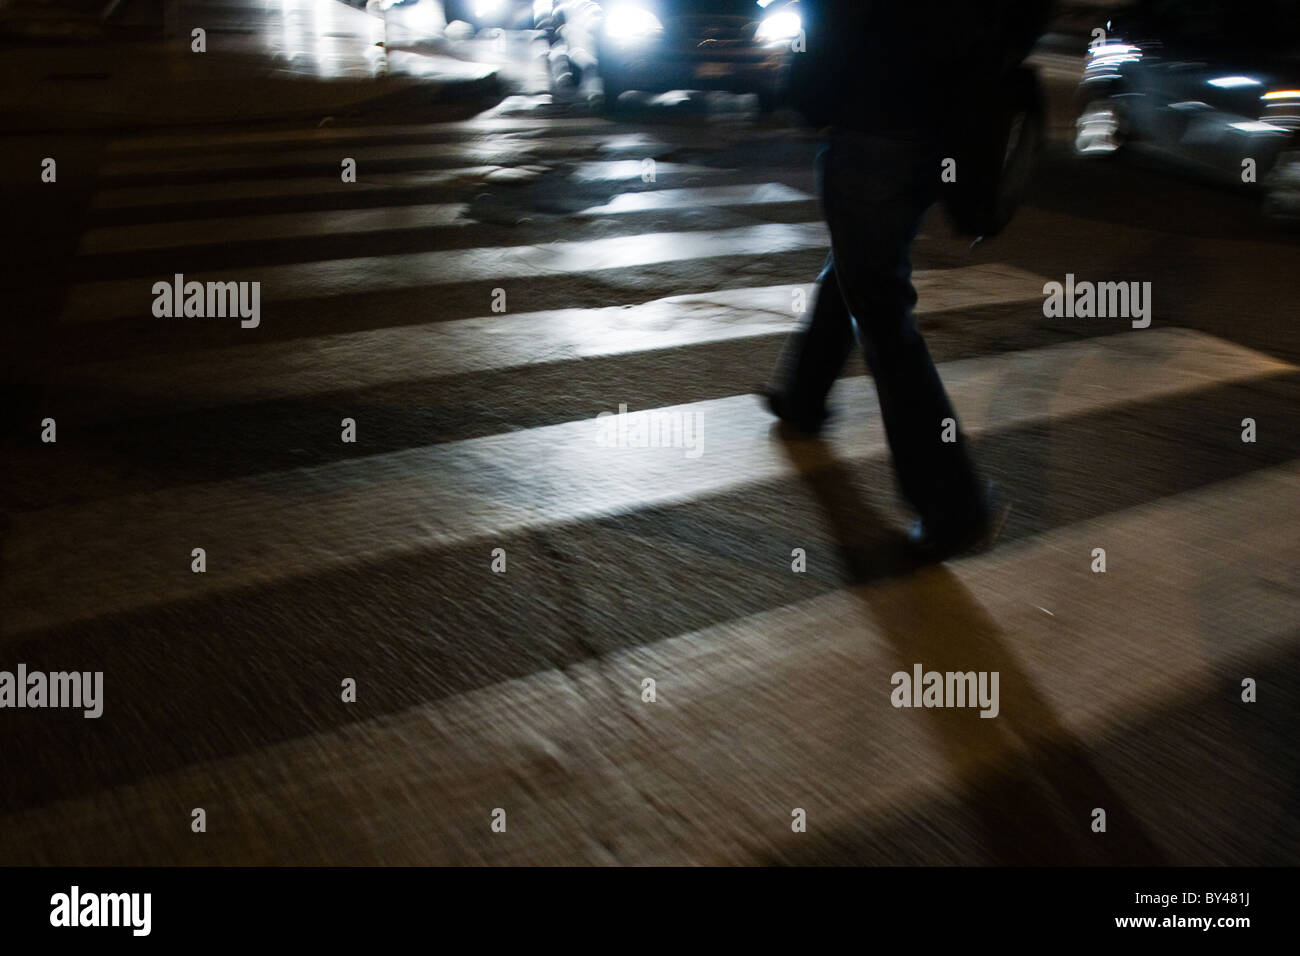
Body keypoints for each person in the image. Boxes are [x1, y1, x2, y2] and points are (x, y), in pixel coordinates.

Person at [762, 0, 1048, 560]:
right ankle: (803, 395)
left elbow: (834, 20)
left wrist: (806, 93)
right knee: (862, 264)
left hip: (878, 122)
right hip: (946, 124)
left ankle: (955, 505)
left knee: (881, 308)